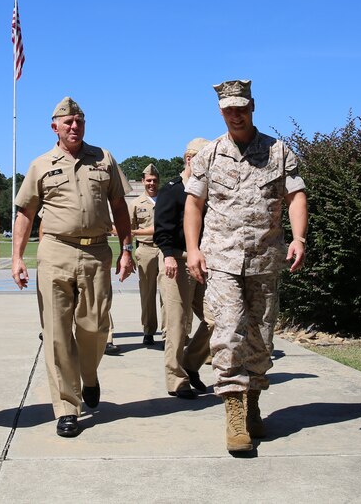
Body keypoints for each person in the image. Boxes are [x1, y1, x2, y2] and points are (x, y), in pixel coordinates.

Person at [184, 80, 308, 453]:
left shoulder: (278, 151)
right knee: (226, 331)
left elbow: (295, 195)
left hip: (264, 258)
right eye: (228, 110)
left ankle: (253, 403)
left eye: (241, 108)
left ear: (252, 107)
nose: (235, 115)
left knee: (261, 335)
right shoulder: (209, 154)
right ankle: (234, 412)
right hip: (220, 259)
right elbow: (194, 204)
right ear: (220, 112)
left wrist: (298, 238)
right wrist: (193, 250)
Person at [11, 96, 135, 438]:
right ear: (55, 127)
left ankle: (89, 374)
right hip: (54, 252)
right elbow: (25, 213)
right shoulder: (40, 165)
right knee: (56, 334)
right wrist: (18, 257)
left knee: (94, 327)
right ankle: (67, 407)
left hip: (96, 252)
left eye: (79, 121)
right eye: (68, 122)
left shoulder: (104, 159)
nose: (74, 127)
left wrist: (126, 249)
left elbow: (120, 207)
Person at [154, 138, 213, 400]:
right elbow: (162, 228)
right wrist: (168, 256)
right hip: (176, 261)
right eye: (195, 157)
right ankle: (176, 379)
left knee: (217, 318)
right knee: (177, 324)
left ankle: (190, 364)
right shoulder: (172, 190)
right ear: (187, 158)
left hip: (205, 262)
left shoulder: (208, 191)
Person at [130, 163, 162, 345]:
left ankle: (169, 331)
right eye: (148, 180)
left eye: (155, 180)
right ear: (143, 181)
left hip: (165, 250)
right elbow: (129, 230)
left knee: (169, 293)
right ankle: (149, 330)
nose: (151, 184)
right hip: (146, 249)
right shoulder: (135, 204)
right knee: (147, 292)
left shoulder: (166, 199)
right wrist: (127, 254)